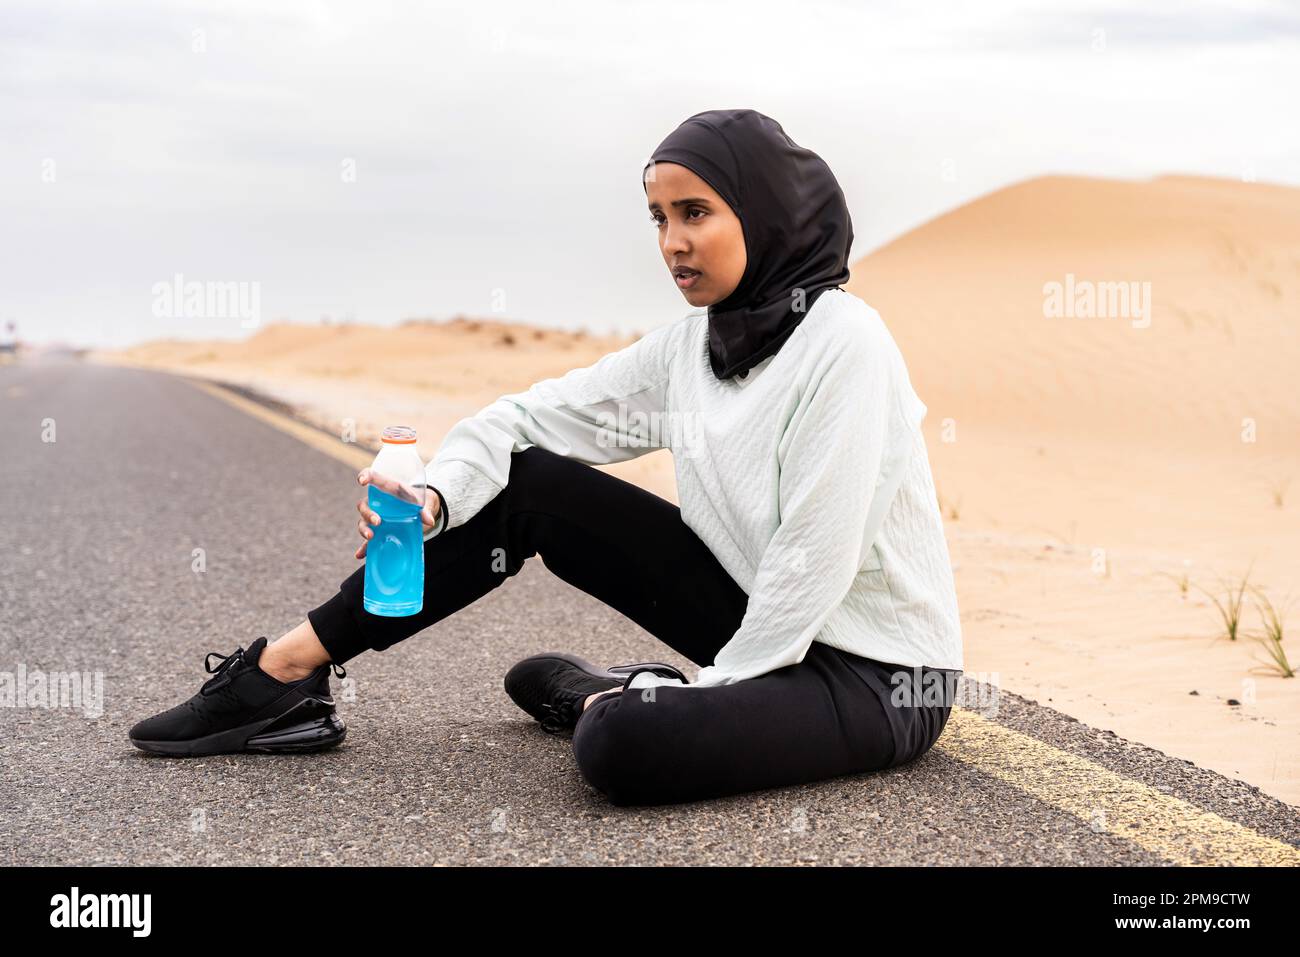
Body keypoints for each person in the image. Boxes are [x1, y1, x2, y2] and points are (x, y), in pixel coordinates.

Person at [128, 109, 963, 807]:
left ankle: (631, 699)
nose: (672, 242)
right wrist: (436, 498)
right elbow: (524, 420)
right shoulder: (692, 349)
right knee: (527, 482)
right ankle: (286, 671)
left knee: (619, 746)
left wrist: (709, 702)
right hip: (757, 619)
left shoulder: (845, 345)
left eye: (696, 212)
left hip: (873, 676)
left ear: (767, 209)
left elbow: (812, 567)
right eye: (659, 218)